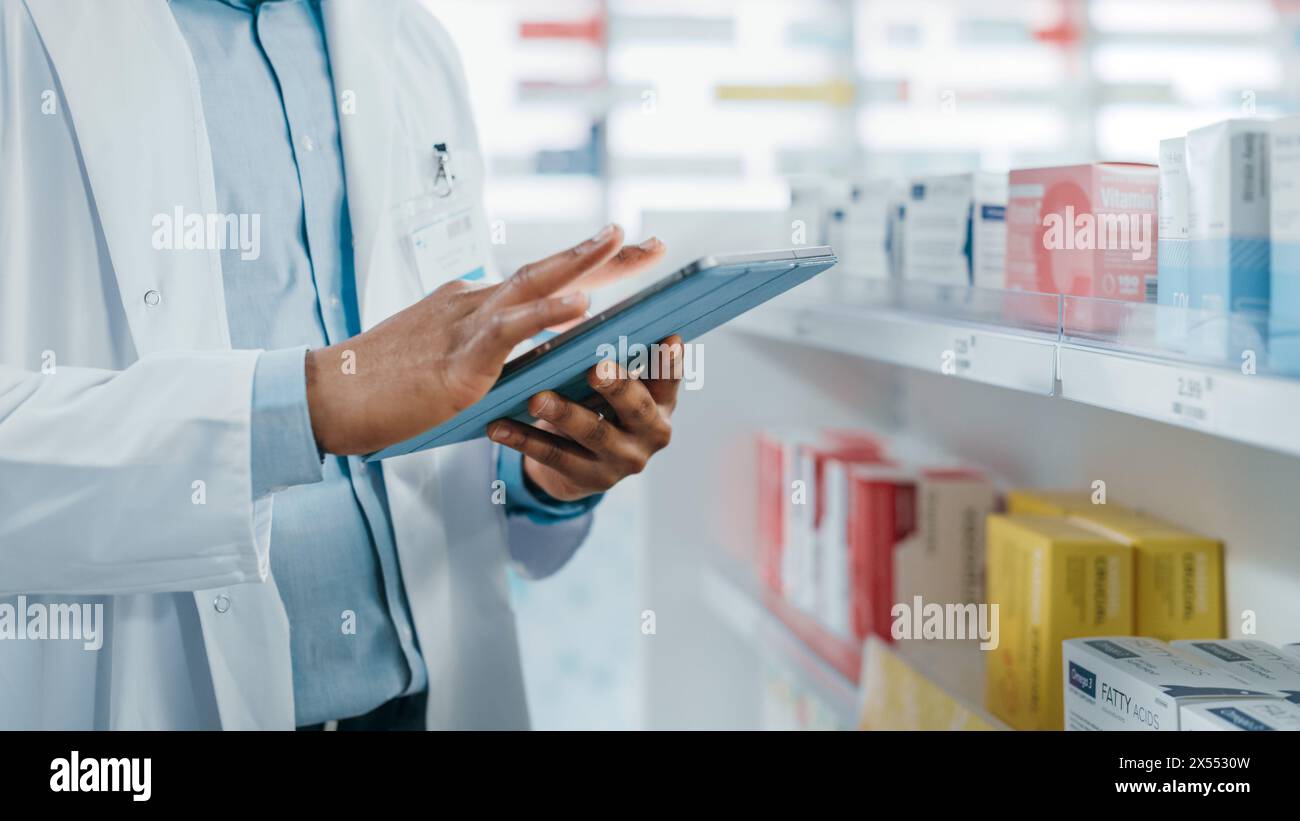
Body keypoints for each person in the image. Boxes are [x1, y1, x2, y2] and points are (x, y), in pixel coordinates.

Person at [0, 0, 679, 730]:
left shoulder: (411, 42)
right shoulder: (29, 38)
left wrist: (541, 468)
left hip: (417, 705)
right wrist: (311, 401)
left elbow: (430, 414)